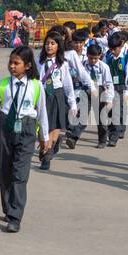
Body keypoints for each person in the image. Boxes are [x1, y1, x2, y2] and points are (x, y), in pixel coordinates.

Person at [0, 46, 49, 234]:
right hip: (4, 128)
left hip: (27, 130)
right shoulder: (2, 84)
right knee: (4, 171)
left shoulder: (36, 86)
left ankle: (15, 216)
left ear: (27, 66)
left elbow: (42, 113)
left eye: (16, 63)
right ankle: (7, 207)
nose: (12, 66)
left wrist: (44, 137)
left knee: (20, 174)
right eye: (10, 62)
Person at [35, 33, 77, 171]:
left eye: (53, 43)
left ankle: (47, 156)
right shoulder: (39, 61)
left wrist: (72, 103)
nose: (49, 46)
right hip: (42, 95)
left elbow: (68, 84)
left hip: (57, 96)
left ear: (59, 46)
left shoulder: (63, 64)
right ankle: (44, 147)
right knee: (41, 128)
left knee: (53, 126)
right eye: (47, 43)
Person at [104, 31, 128, 146]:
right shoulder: (107, 55)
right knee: (111, 111)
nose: (112, 51)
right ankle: (115, 130)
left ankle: (115, 135)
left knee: (121, 110)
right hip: (110, 86)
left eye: (115, 49)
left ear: (121, 45)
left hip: (124, 86)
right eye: (111, 49)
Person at [81, 41, 116, 148]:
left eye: (95, 58)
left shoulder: (104, 67)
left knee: (101, 118)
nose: (93, 61)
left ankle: (102, 140)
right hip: (86, 91)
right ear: (87, 55)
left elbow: (109, 83)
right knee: (82, 114)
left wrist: (109, 99)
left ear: (100, 56)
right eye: (91, 58)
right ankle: (73, 136)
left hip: (101, 91)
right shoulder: (83, 65)